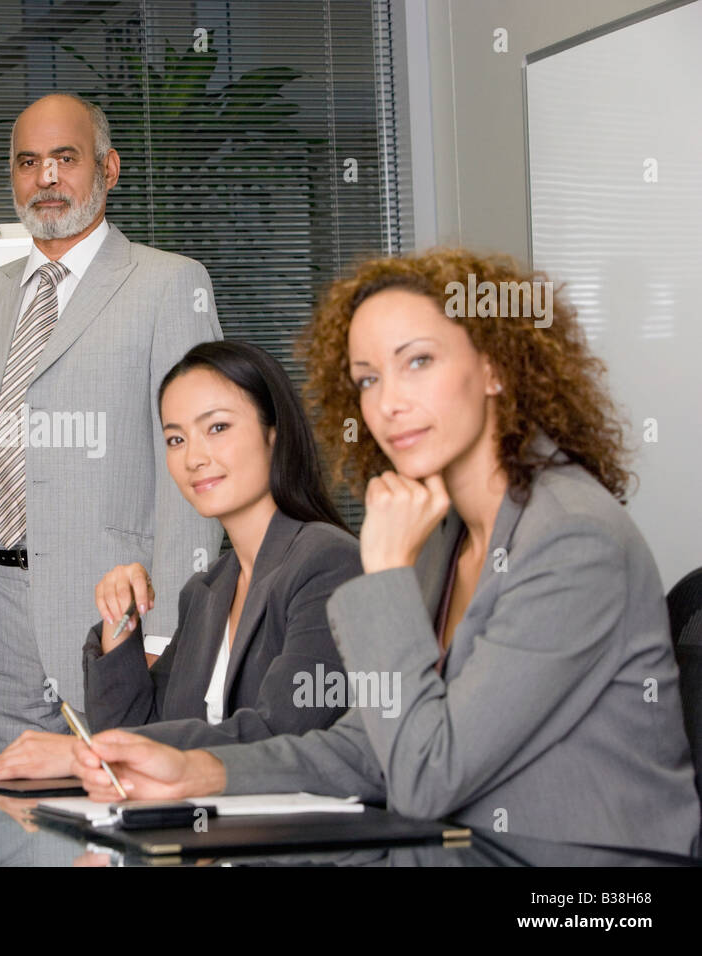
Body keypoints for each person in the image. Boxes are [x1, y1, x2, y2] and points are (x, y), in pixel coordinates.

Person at [69, 249, 700, 855]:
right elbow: (367, 747)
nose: (388, 402)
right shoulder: (445, 537)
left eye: (418, 361)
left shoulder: (569, 540)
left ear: (495, 367)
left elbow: (429, 776)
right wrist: (196, 772)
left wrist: (387, 577)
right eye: (368, 379)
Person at [0, 92, 223, 753]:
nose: (45, 178)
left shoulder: (169, 285)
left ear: (108, 169)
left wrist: (167, 631)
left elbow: (198, 473)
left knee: (122, 824)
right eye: (28, 162)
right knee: (19, 826)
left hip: (117, 620)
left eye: (64, 158)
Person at [0, 341, 362, 781]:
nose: (193, 458)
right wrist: (119, 626)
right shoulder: (208, 590)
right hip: (202, 840)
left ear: (275, 434)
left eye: (217, 428)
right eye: (176, 439)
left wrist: (85, 753)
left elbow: (277, 738)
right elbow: (139, 731)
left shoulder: (330, 564)